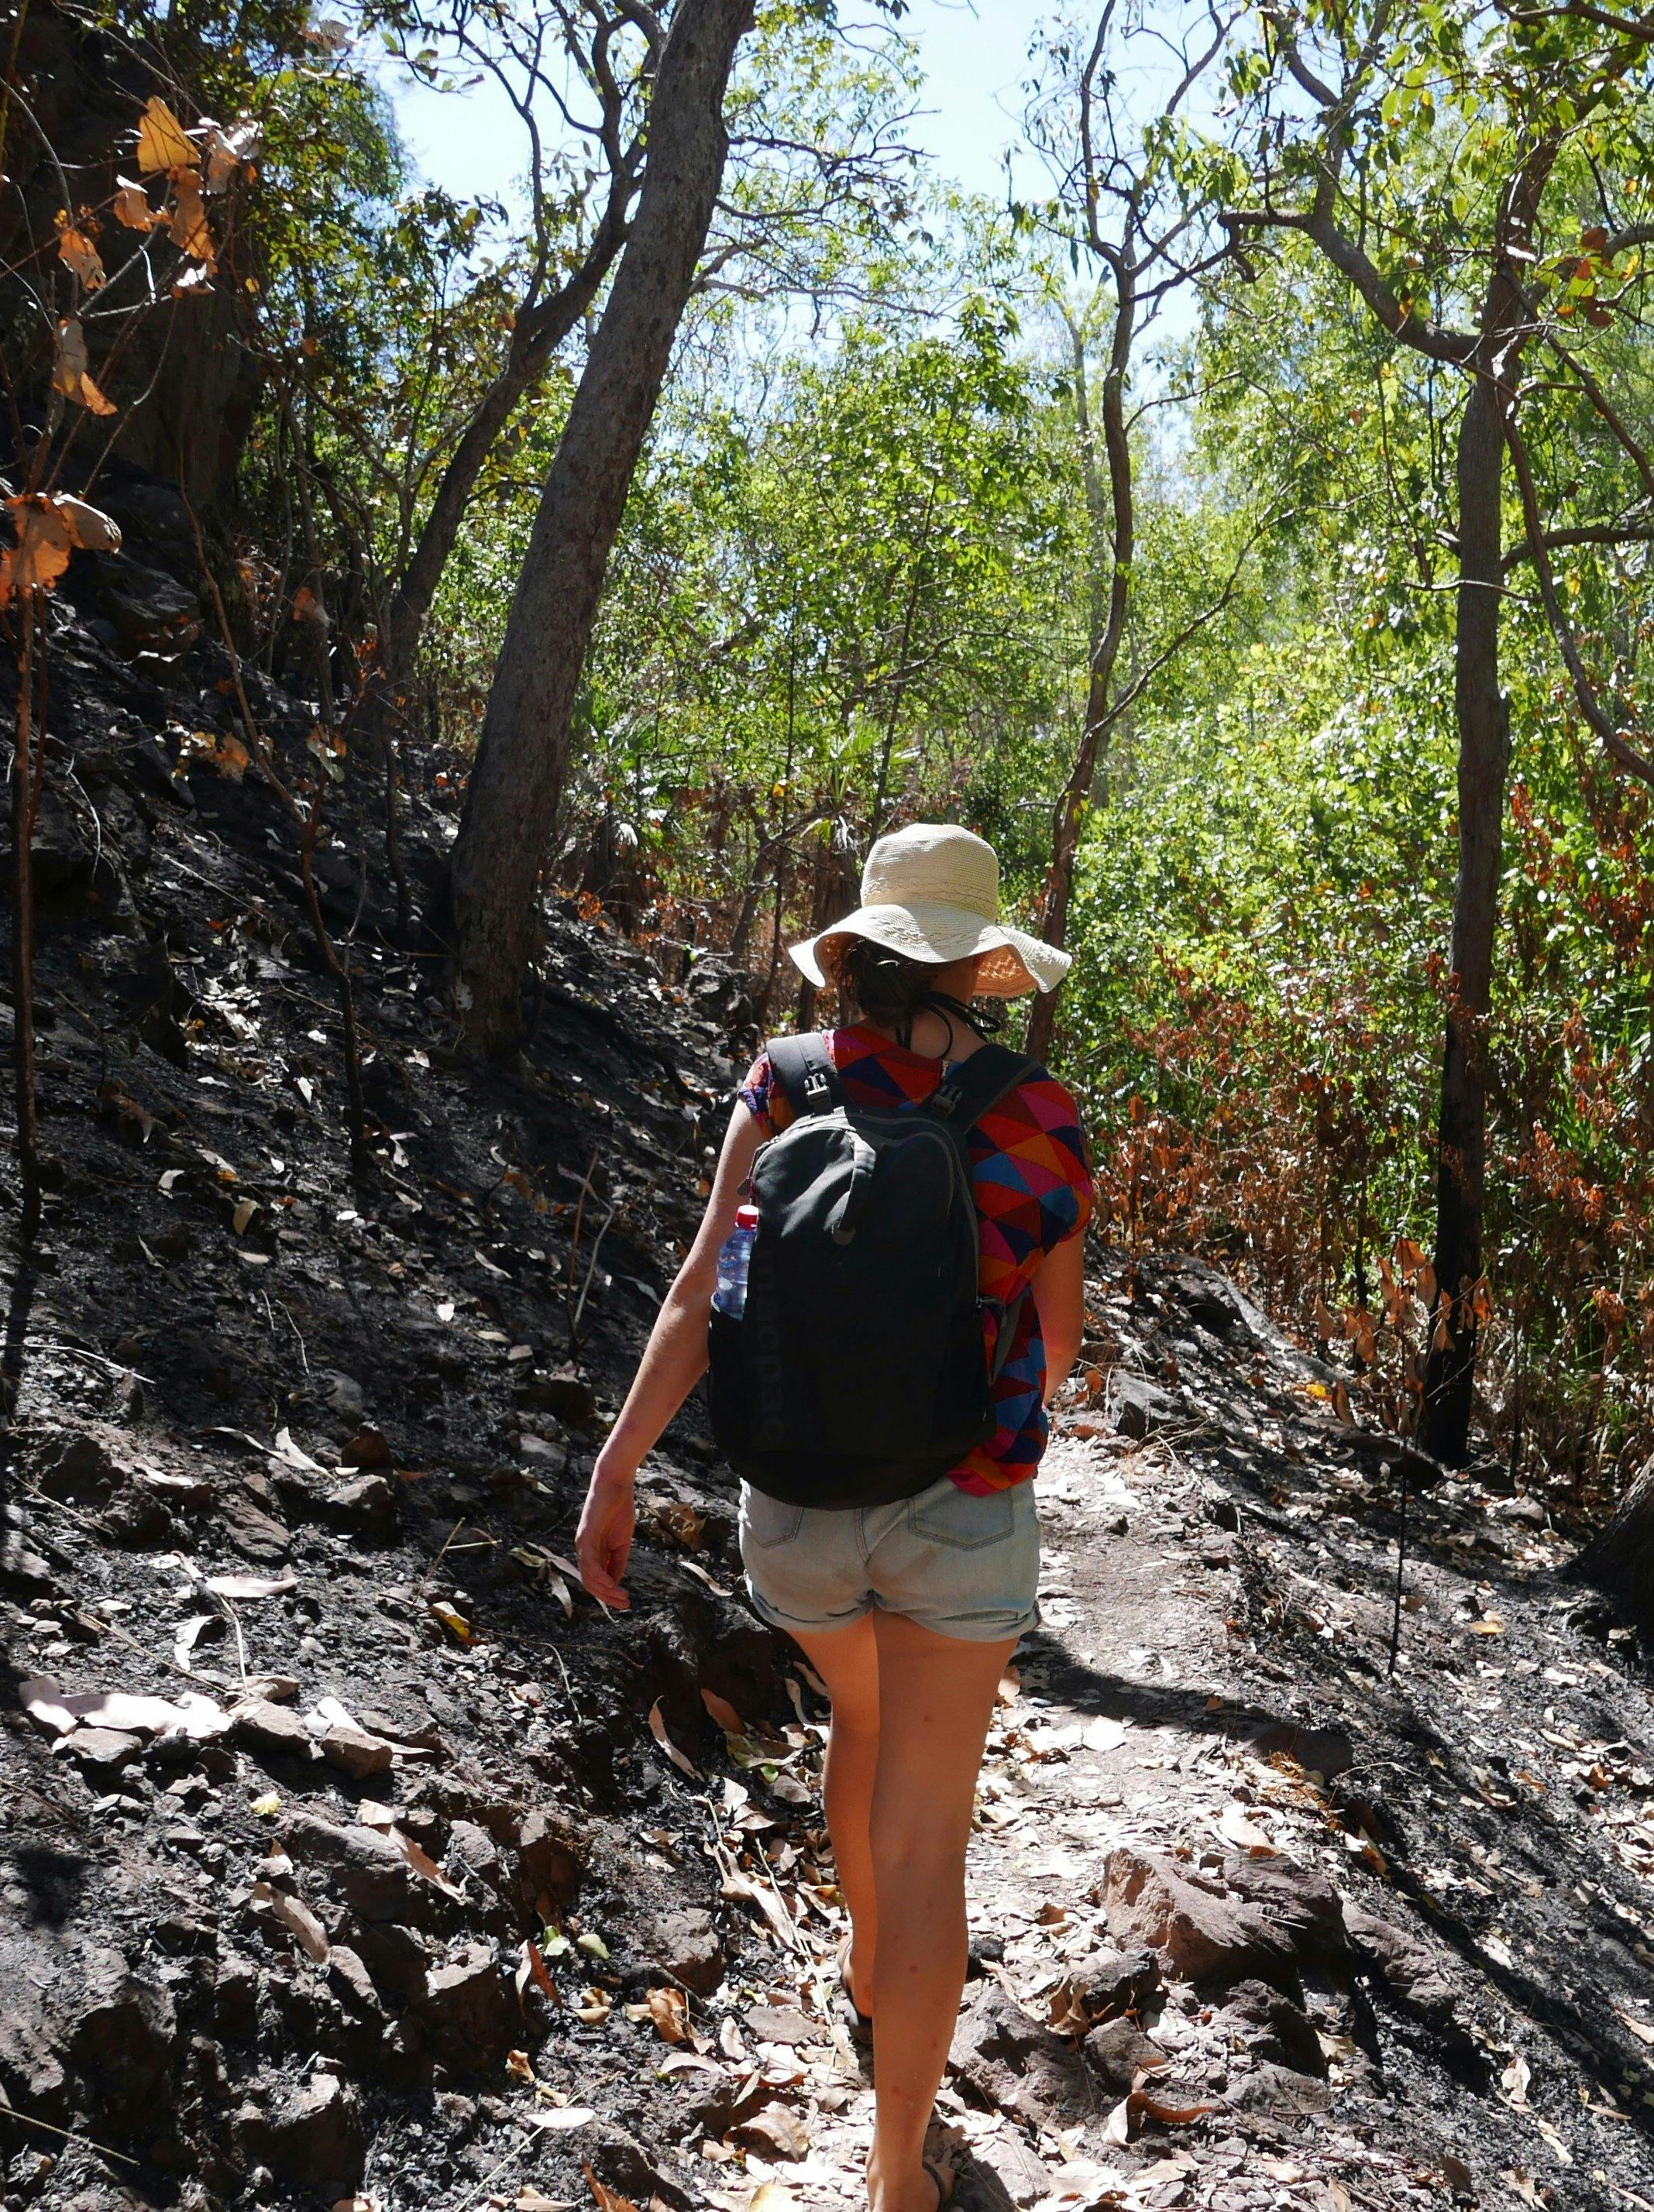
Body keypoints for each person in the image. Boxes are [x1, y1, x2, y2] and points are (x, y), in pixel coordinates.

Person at [576, 822, 1092, 2212]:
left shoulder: (786, 1082)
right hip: (959, 1518)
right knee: (933, 1839)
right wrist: (994, 1452)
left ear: (854, 953)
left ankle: (867, 1970)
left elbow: (699, 1298)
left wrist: (620, 1469)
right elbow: (1056, 1346)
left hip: (795, 1506)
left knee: (854, 1723)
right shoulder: (1040, 1115)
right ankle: (894, 2171)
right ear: (983, 968)